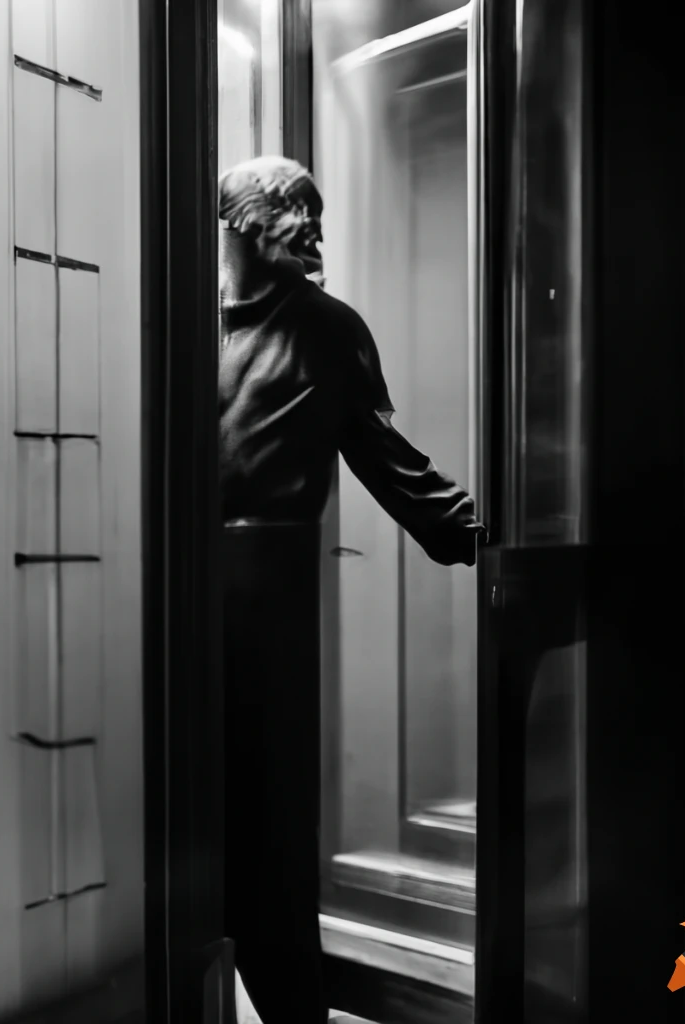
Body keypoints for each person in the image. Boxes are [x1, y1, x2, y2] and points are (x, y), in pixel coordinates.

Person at [219, 155, 485, 1024]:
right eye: (305, 215)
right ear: (252, 224)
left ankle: (288, 1001)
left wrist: (473, 530)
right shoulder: (182, 321)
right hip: (183, 604)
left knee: (272, 824)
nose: (320, 234)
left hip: (270, 602)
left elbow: (383, 457)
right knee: (201, 818)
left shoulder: (327, 328)